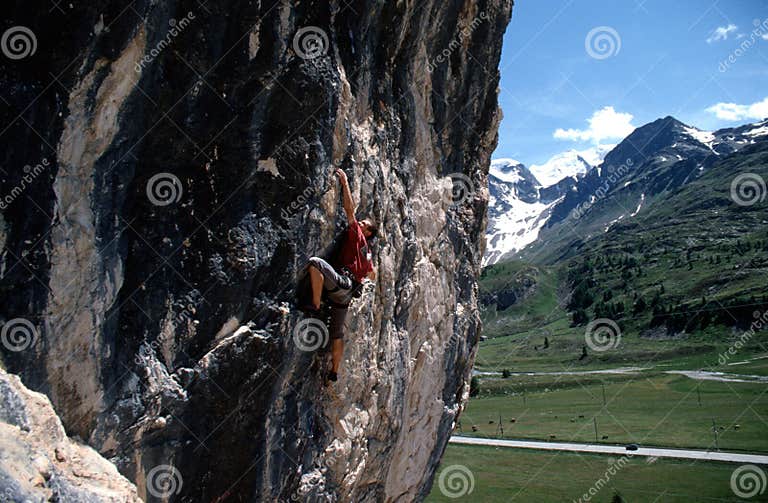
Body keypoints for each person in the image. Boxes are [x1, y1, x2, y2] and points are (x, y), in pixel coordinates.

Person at [305, 168, 377, 384]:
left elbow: (349, 210)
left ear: (367, 233)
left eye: (363, 225)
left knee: (315, 264)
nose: (359, 224)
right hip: (348, 293)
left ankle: (315, 305)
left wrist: (345, 183)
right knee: (337, 334)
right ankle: (334, 371)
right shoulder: (368, 254)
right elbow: (372, 274)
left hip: (343, 283)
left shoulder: (358, 237)